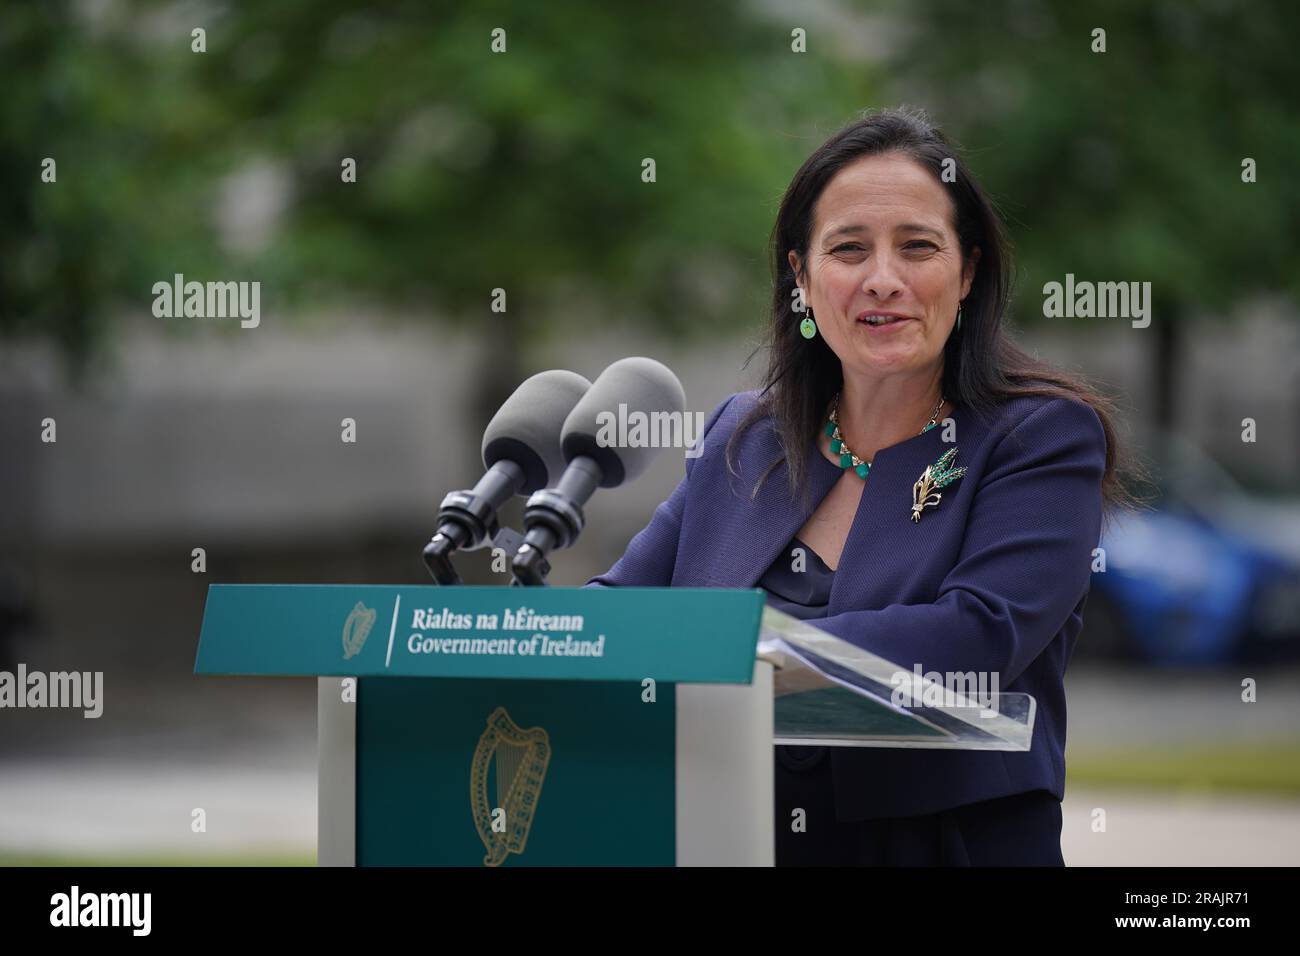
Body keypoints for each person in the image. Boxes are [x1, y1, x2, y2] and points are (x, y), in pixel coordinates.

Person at [587, 108, 1139, 865]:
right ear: (802, 281)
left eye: (918, 247)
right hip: (725, 839)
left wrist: (725, 655)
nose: (884, 279)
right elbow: (618, 614)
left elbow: (974, 639)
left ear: (968, 273)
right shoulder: (742, 439)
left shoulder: (1039, 437)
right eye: (848, 249)